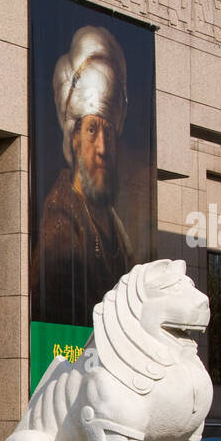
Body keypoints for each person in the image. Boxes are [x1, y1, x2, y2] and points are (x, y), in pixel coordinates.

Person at [33, 25, 136, 325]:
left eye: (109, 132)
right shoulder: (61, 219)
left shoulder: (116, 226)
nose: (102, 147)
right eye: (92, 129)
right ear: (74, 137)